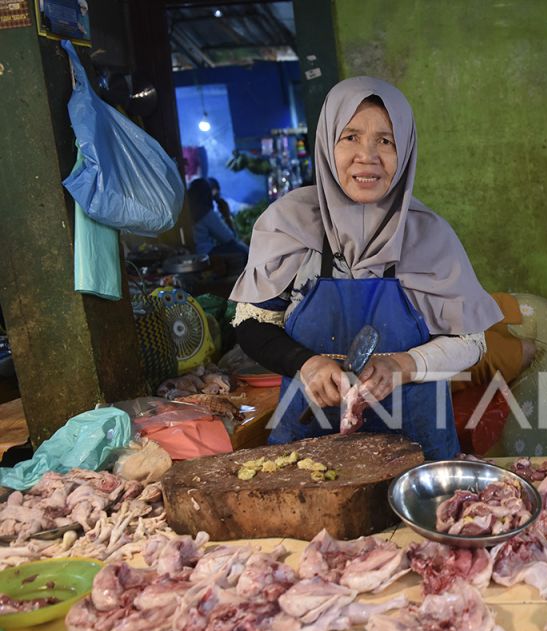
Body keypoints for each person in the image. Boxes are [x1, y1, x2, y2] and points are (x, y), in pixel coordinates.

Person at [228, 77, 502, 458]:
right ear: (328, 143)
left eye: (385, 141)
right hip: (307, 451)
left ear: (404, 150)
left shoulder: (430, 236)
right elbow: (252, 322)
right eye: (350, 137)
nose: (367, 156)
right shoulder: (288, 223)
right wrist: (305, 364)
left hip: (416, 453)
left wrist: (405, 365)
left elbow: (471, 342)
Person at [186, 177, 250, 260]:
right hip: (206, 256)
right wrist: (226, 215)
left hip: (193, 255)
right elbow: (229, 238)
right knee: (241, 250)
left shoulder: (187, 212)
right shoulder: (205, 213)